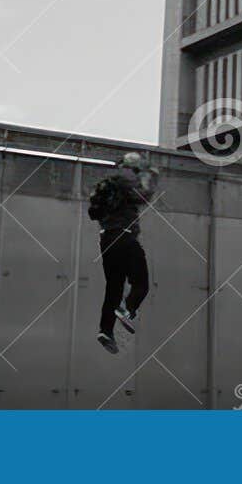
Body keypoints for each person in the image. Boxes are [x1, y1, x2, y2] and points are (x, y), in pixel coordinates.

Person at [88, 151, 158, 354]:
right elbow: (143, 196)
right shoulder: (126, 178)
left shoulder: (104, 185)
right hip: (125, 236)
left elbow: (93, 213)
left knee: (114, 286)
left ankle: (105, 331)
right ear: (132, 168)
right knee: (141, 282)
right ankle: (127, 309)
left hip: (106, 237)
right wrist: (151, 175)